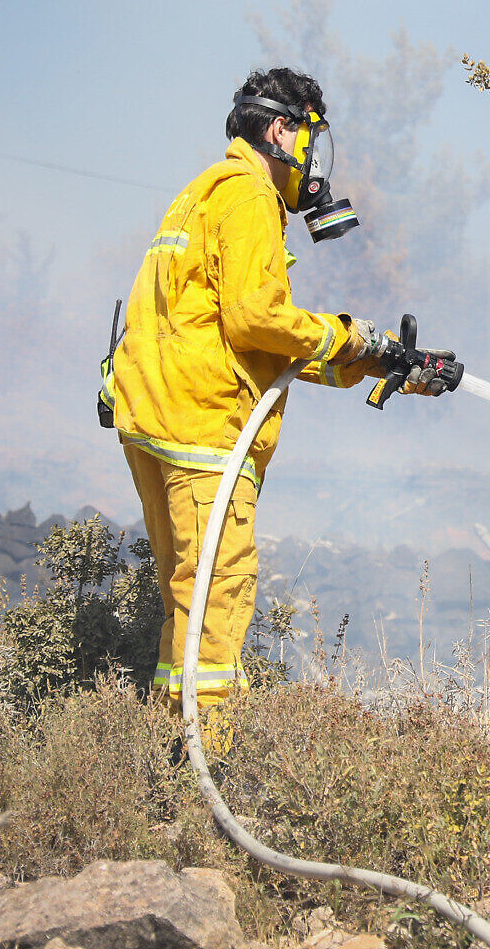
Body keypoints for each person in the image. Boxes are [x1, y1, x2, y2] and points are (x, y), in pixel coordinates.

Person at [103, 67, 441, 742]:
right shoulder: (249, 196)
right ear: (282, 129)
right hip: (204, 428)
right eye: (312, 140)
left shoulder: (202, 192)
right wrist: (352, 333)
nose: (315, 164)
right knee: (216, 595)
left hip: (157, 420)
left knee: (187, 596)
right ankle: (210, 764)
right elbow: (260, 319)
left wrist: (378, 361)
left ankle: (177, 752)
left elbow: (244, 339)